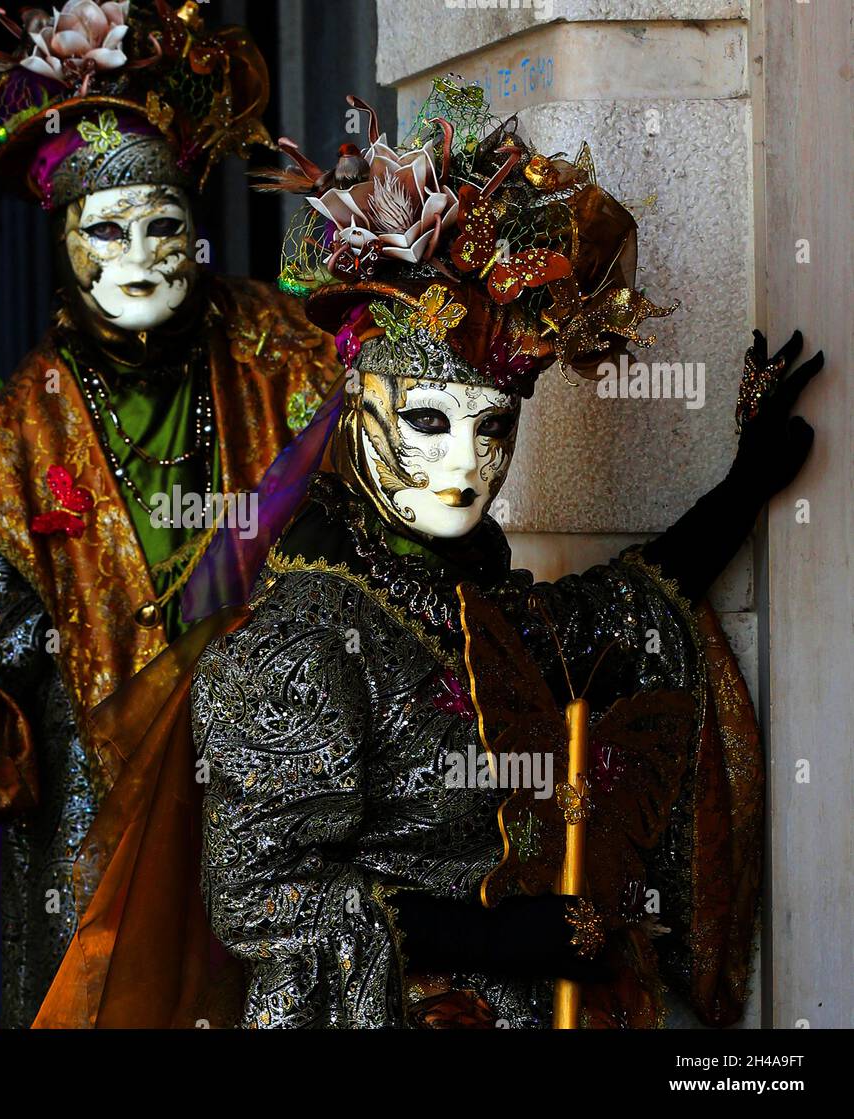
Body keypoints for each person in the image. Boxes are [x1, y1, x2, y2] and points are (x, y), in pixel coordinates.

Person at [186, 81, 823, 1027]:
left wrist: (744, 483)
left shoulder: (466, 597)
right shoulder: (305, 641)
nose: (466, 462)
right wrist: (483, 936)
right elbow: (257, 892)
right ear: (354, 409)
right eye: (431, 421)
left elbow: (615, 617)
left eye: (494, 428)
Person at [0, 0, 338, 1028]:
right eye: (105, 229)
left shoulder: (286, 359)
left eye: (163, 224)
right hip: (96, 848)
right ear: (65, 241)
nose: (139, 256)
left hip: (289, 818)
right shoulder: (15, 444)